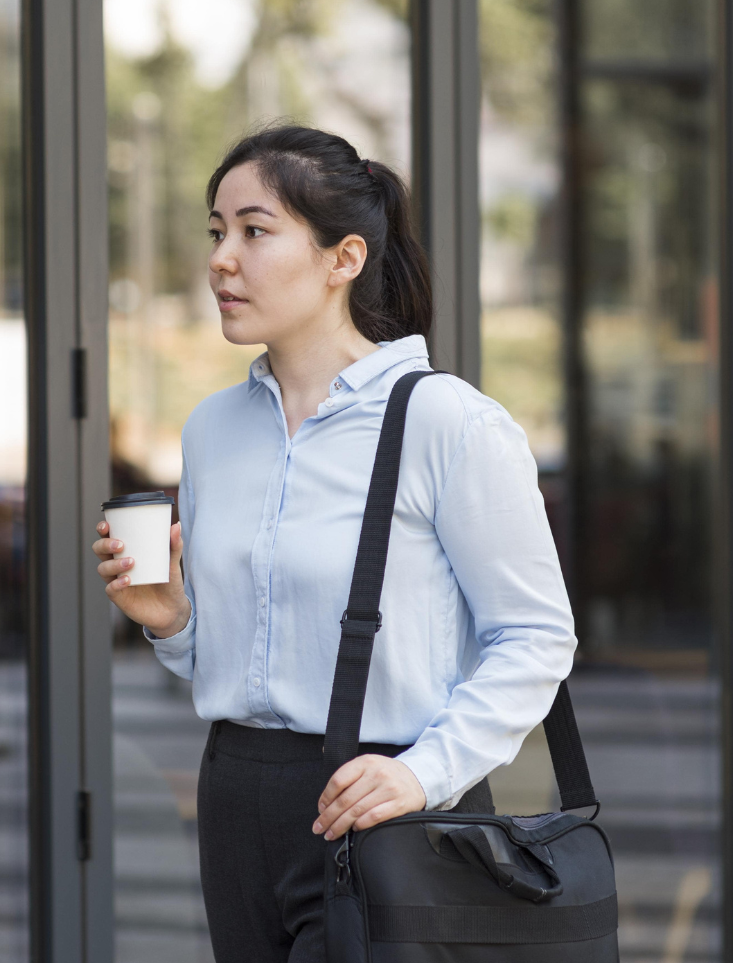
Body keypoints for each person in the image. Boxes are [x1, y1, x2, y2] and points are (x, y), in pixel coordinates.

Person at [92, 125, 576, 962]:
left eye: (254, 230)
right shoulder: (213, 430)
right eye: (216, 232)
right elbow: (232, 660)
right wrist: (170, 621)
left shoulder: (444, 422)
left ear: (343, 257)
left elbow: (536, 636)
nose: (221, 260)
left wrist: (424, 773)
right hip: (236, 797)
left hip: (386, 800)